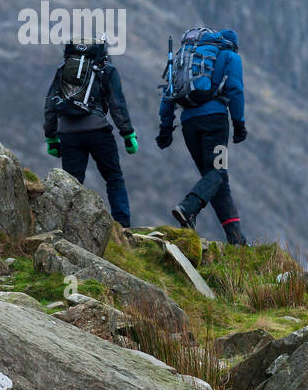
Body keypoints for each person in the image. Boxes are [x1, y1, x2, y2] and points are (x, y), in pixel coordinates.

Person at [157, 27, 247, 245]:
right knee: (217, 173)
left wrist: (165, 129)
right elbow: (235, 89)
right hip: (214, 122)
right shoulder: (230, 56)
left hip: (189, 125)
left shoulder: (186, 57)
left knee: (215, 179)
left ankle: (237, 241)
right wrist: (239, 124)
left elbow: (168, 92)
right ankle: (188, 207)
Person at [43, 39, 137, 227]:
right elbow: (117, 105)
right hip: (98, 131)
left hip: (68, 134)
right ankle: (123, 225)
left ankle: (68, 226)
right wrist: (128, 134)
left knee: (72, 183)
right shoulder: (107, 70)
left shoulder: (63, 69)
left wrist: (51, 137)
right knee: (113, 177)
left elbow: (50, 105)